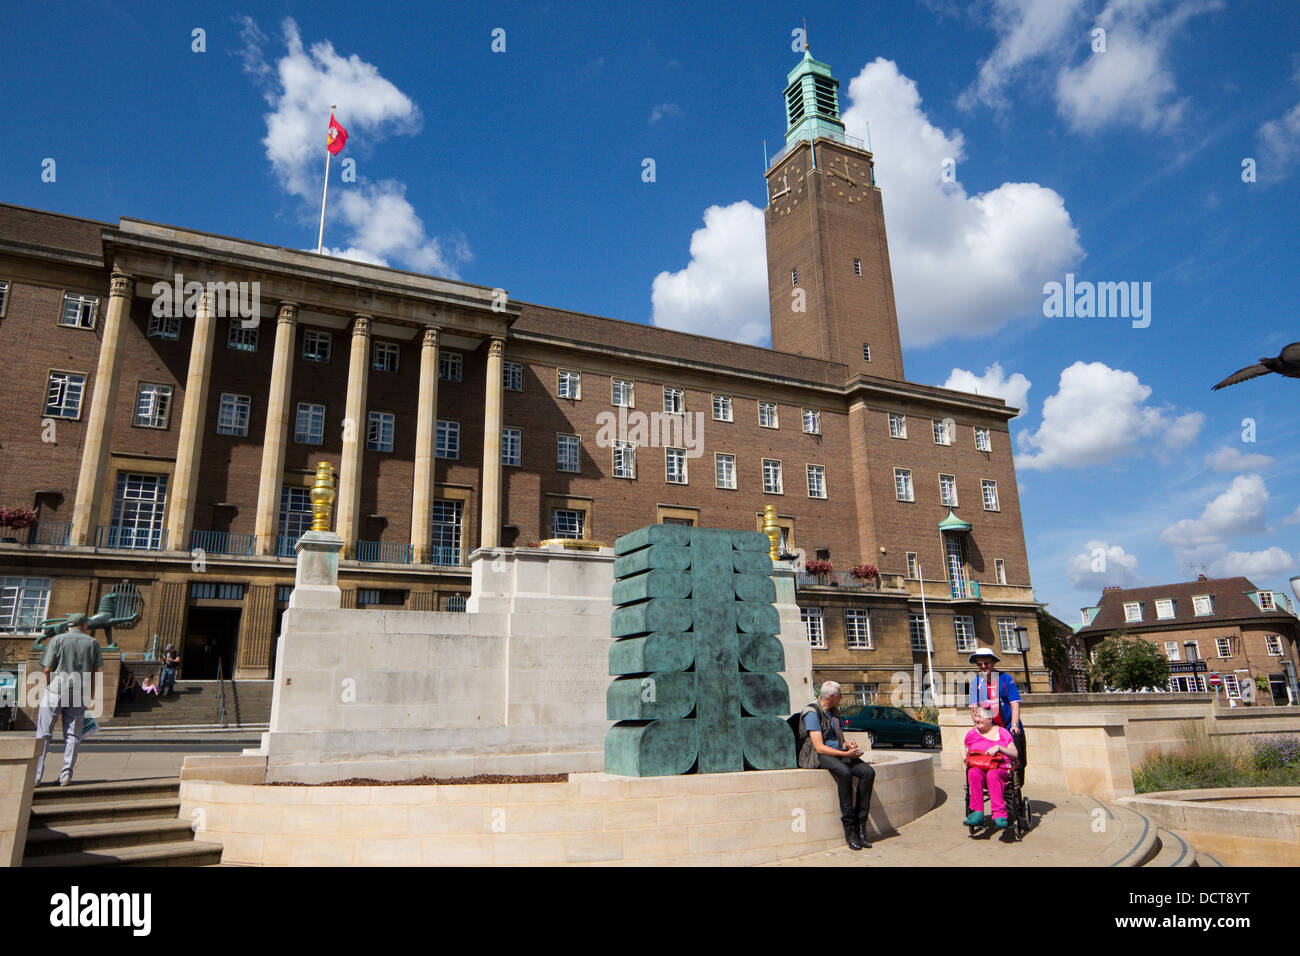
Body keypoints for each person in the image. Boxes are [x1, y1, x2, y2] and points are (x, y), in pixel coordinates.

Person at [796, 681, 876, 851]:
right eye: (840, 695)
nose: (841, 698)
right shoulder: (812, 713)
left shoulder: (834, 712)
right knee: (845, 772)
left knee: (868, 772)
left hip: (838, 752)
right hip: (818, 756)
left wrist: (848, 746)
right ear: (832, 696)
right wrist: (846, 755)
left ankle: (861, 825)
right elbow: (819, 747)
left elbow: (839, 740)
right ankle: (849, 828)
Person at [34, 613, 103, 786]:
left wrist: (47, 686)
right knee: (73, 735)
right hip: (80, 692)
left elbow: (47, 668)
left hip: (56, 690)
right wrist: (91, 692)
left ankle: (36, 776)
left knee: (43, 733)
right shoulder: (93, 643)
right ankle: (66, 775)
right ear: (84, 625)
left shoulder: (57, 640)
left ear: (69, 625)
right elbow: (95, 671)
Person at [967, 647, 1027, 785]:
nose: (983, 666)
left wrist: (1014, 725)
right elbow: (974, 708)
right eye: (980, 664)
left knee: (1017, 763)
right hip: (991, 731)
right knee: (992, 762)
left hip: (1009, 727)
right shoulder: (976, 682)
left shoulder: (1005, 678)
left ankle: (1015, 789)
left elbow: (1014, 703)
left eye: (986, 663)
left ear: (993, 663)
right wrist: (978, 726)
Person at [964, 701, 1018, 827]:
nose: (977, 719)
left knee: (992, 774)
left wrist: (999, 748)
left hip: (1001, 770)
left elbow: (1015, 754)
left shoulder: (1002, 732)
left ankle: (999, 813)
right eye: (975, 716)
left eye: (980, 716)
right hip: (980, 769)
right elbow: (966, 754)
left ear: (989, 718)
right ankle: (977, 812)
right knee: (973, 772)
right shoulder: (971, 735)